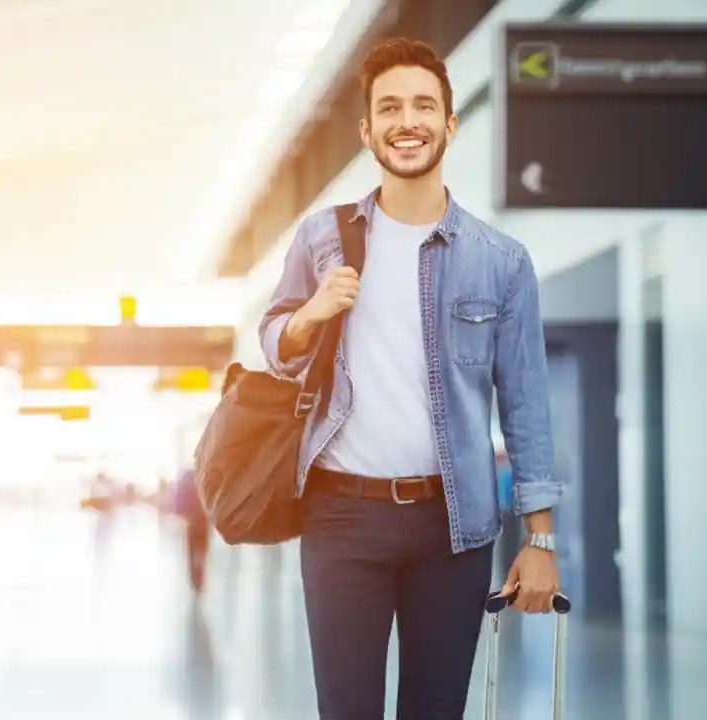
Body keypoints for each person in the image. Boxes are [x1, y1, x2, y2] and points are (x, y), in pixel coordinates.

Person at [259, 38, 562, 718]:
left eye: (425, 105)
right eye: (389, 107)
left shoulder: (501, 261)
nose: (408, 121)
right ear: (367, 130)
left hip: (452, 527)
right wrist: (311, 312)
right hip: (340, 516)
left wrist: (539, 541)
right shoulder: (321, 239)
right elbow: (277, 346)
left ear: (450, 125)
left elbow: (527, 404)